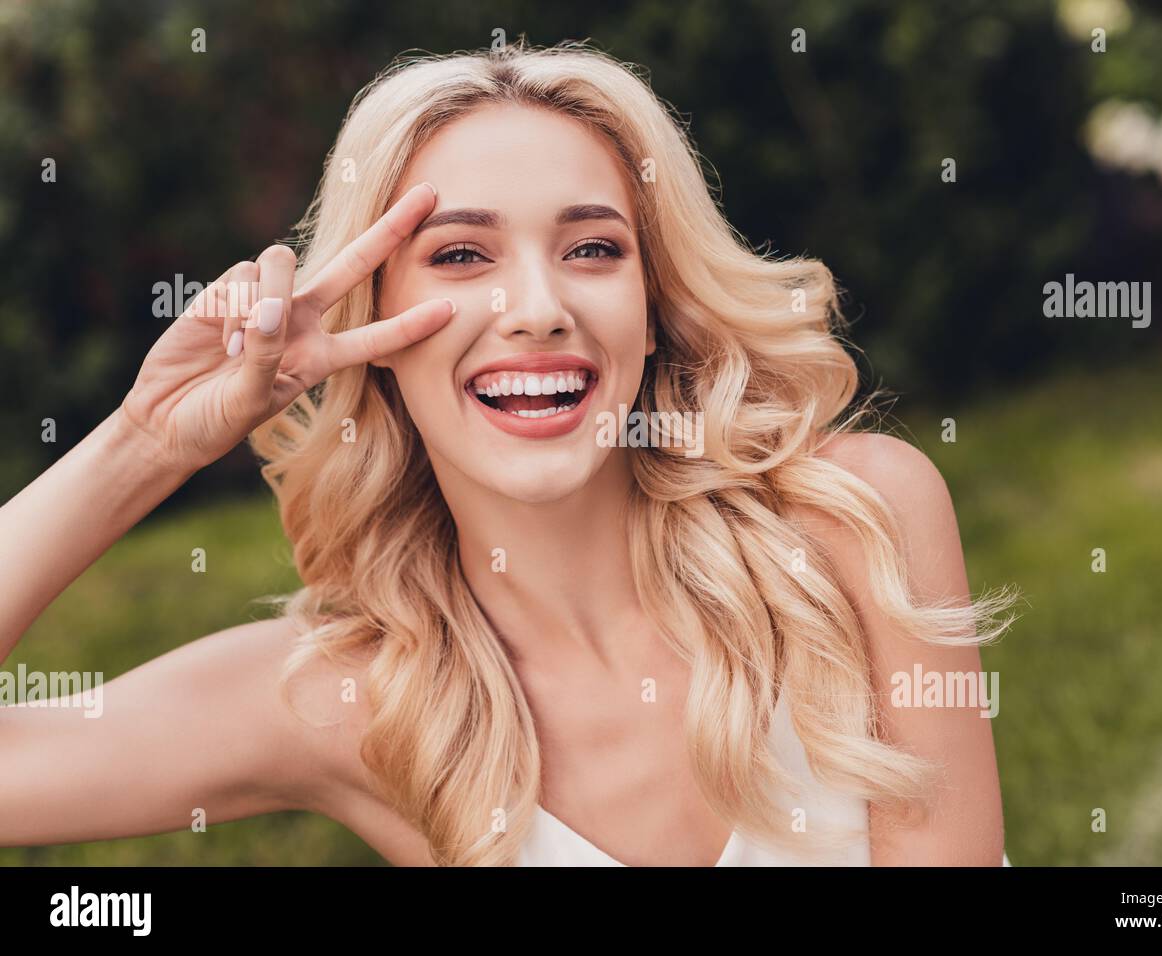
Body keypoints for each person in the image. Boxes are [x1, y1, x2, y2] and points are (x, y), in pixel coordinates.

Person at [0, 40, 1016, 866]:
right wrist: (146, 440)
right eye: (460, 256)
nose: (537, 309)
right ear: (371, 321)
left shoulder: (852, 521)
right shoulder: (347, 698)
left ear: (655, 306)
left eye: (592, 249)